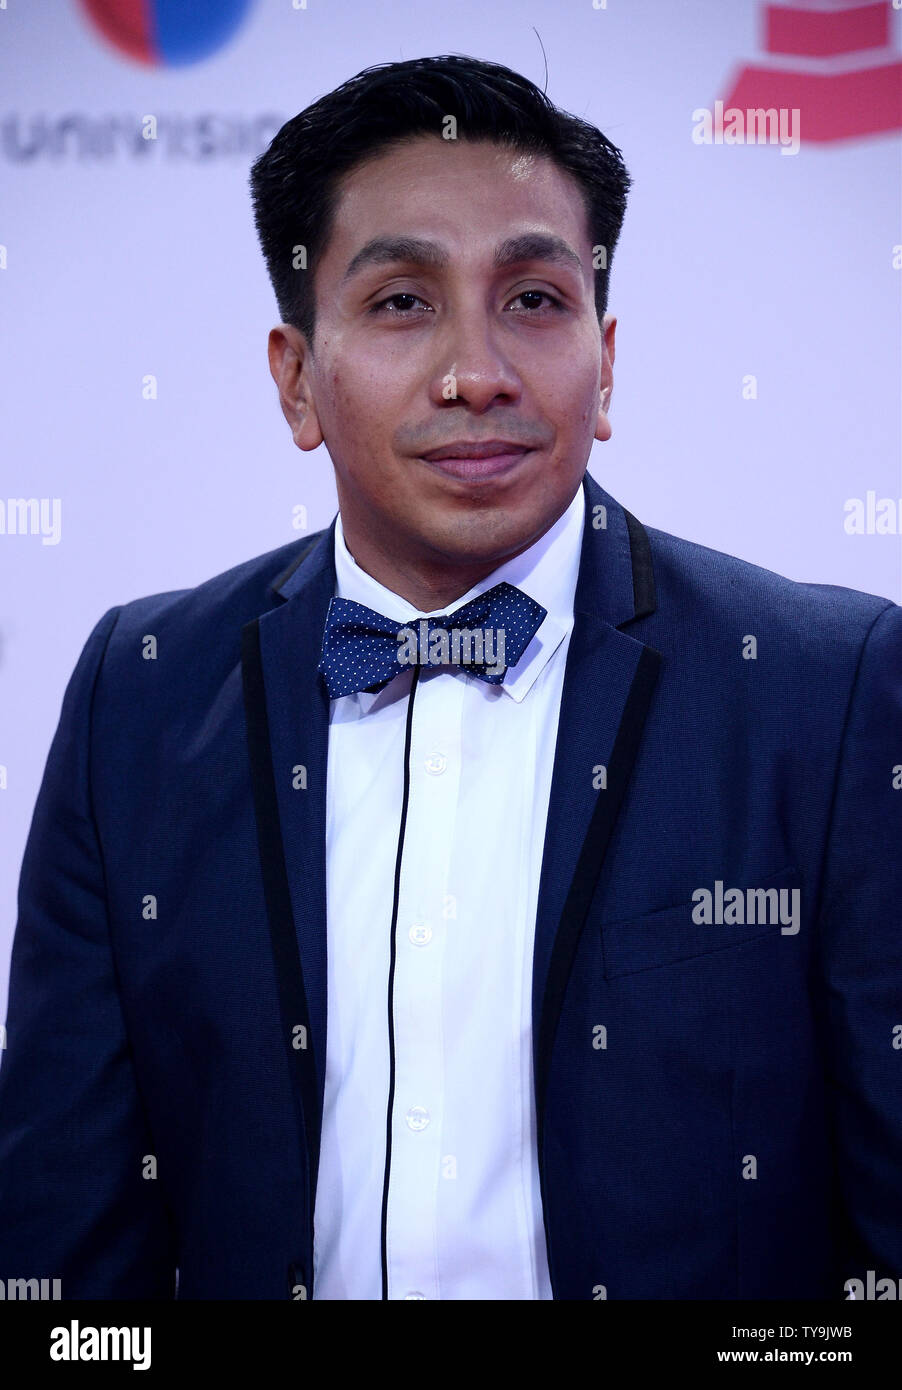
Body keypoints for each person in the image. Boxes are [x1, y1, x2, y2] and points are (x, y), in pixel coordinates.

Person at [0, 54, 899, 1301]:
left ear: (606, 359)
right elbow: (66, 1244)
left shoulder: (827, 691)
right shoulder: (136, 695)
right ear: (295, 379)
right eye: (401, 303)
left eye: (534, 298)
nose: (477, 371)